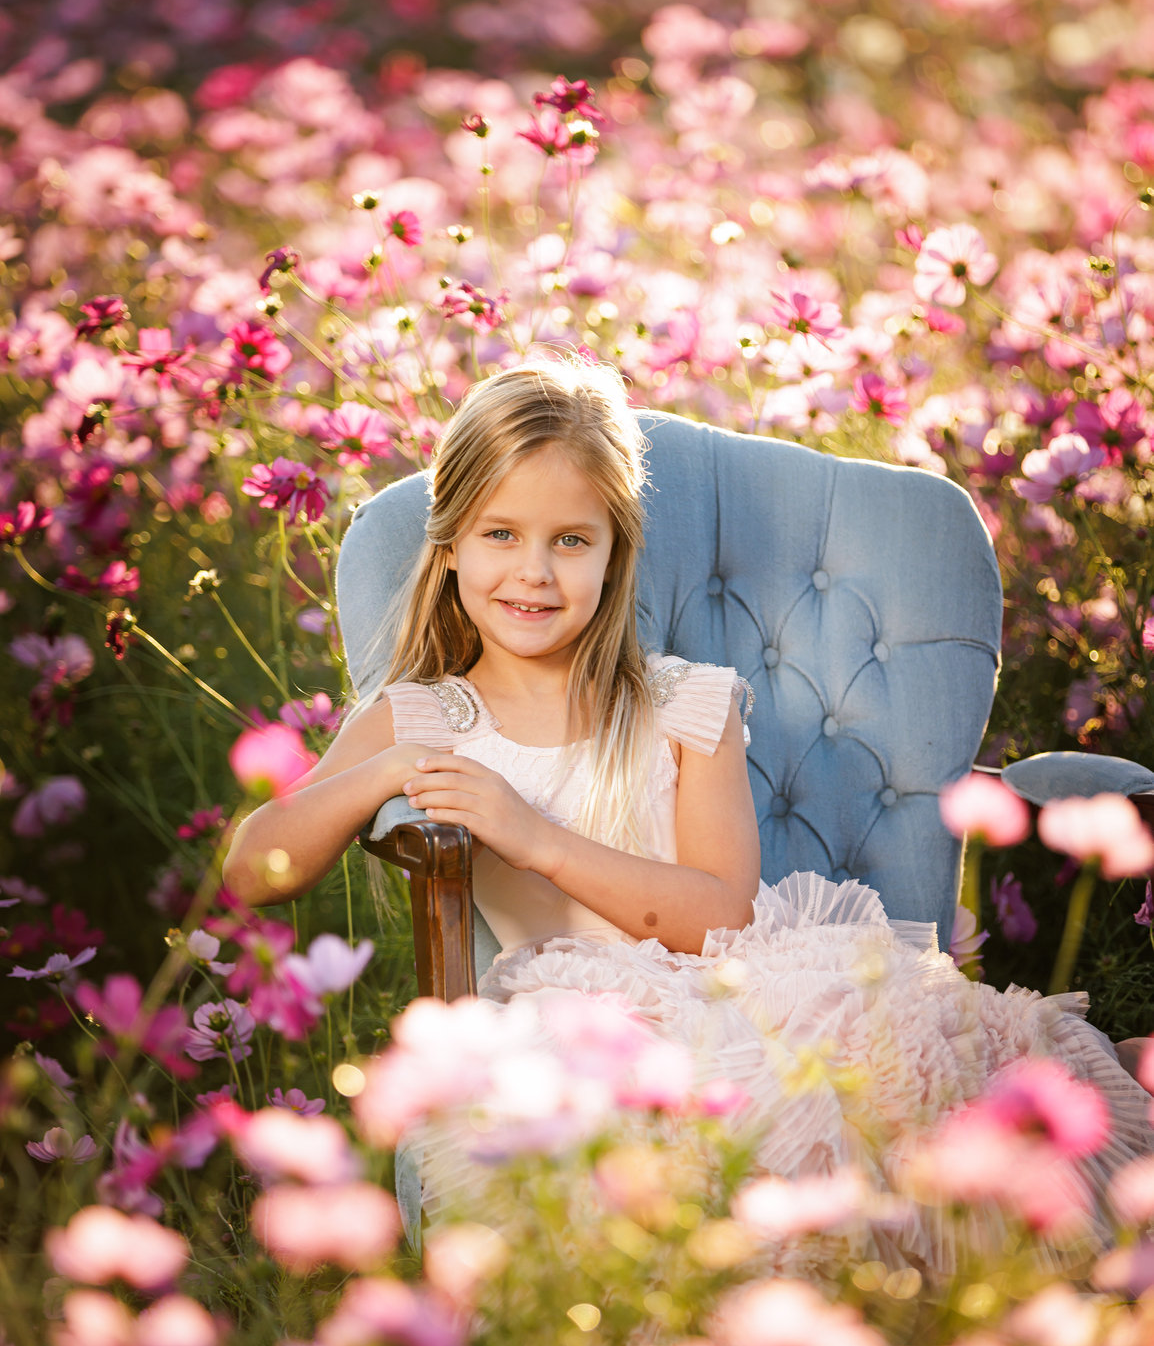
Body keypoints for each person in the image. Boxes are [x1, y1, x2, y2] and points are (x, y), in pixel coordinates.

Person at [224, 356, 1152, 1272]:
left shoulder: (685, 707)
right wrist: (381, 768)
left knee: (892, 1078)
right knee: (657, 1150)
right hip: (572, 1016)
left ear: (616, 551)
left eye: (571, 541)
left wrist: (535, 836)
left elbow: (723, 913)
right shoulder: (423, 715)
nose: (534, 574)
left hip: (737, 984)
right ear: (450, 544)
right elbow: (251, 871)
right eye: (499, 535)